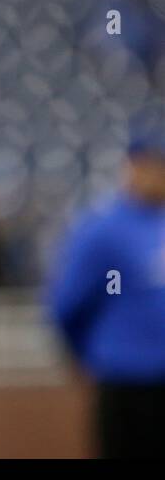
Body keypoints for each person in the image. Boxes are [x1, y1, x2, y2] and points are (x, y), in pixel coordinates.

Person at [48, 119, 165, 457]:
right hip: (126, 383)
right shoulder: (102, 230)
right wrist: (92, 355)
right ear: (132, 167)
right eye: (151, 164)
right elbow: (67, 305)